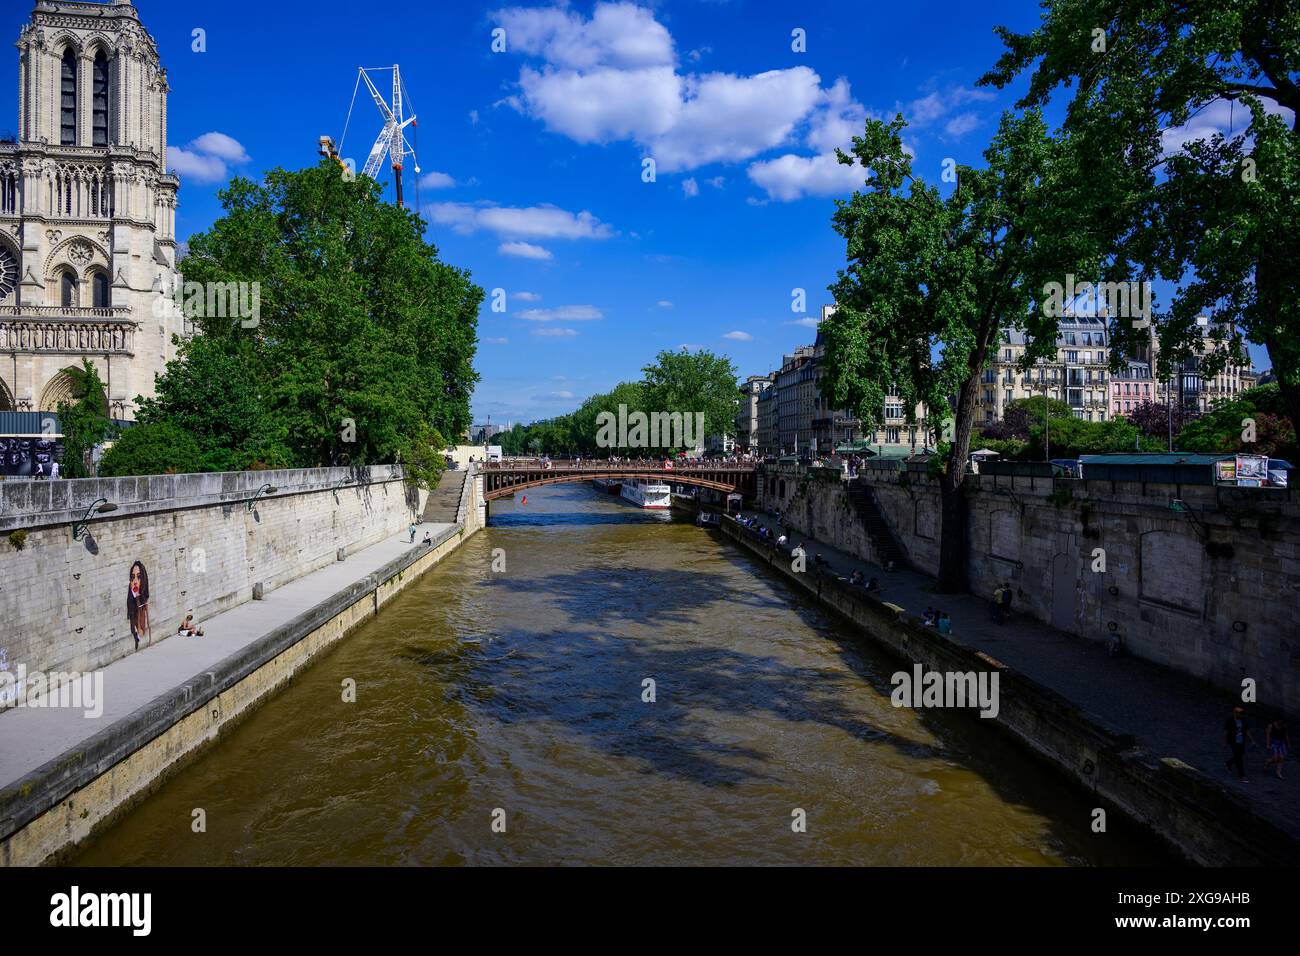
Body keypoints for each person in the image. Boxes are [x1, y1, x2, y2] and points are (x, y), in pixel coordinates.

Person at [1224, 706, 1256, 783]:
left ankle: (1229, 763)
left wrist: (1252, 740)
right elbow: (1226, 732)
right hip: (1233, 741)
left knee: (1240, 755)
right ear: (1235, 713)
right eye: (1240, 713)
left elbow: (1247, 731)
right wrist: (1225, 742)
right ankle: (1242, 776)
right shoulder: (1230, 720)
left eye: (1242, 713)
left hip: (1241, 741)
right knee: (1239, 759)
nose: (1241, 714)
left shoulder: (1244, 720)